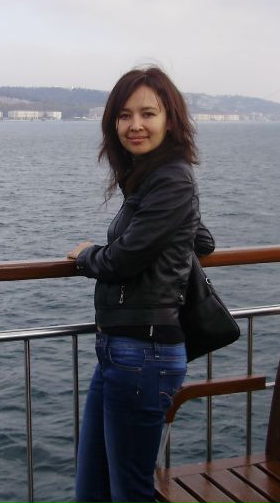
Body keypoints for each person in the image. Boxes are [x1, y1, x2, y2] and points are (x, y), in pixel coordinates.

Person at [67, 66, 214, 503]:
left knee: (129, 492)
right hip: (121, 350)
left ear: (170, 119)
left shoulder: (171, 178)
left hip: (143, 353)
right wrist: (170, 228)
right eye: (124, 115)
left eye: (148, 114)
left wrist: (86, 255)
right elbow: (203, 241)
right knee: (92, 488)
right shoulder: (153, 177)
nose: (135, 125)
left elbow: (122, 260)